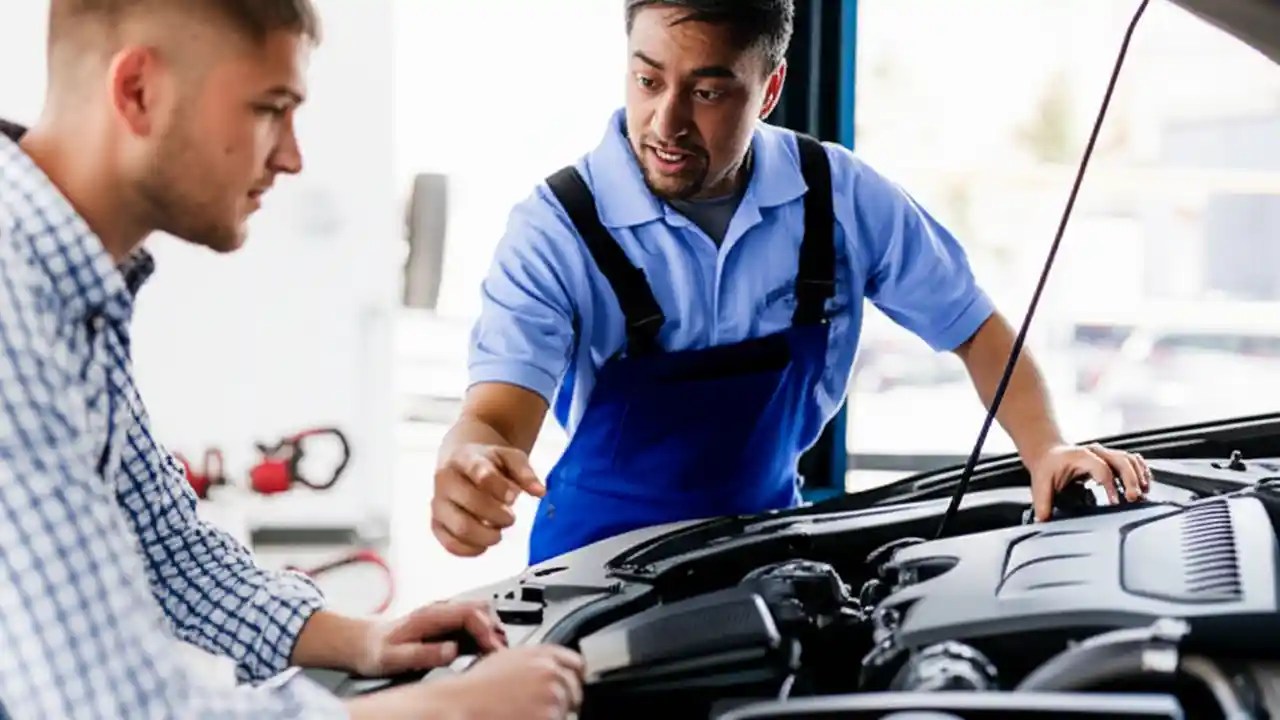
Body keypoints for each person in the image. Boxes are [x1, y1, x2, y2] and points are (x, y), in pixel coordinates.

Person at [0, 1, 584, 718]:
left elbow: (167, 551)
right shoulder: (10, 303)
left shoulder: (68, 283)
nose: (290, 156)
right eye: (269, 109)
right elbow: (112, 706)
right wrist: (447, 710)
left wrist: (366, 640)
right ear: (138, 91)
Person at [432, 0, 1154, 566]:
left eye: (708, 91)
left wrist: (1047, 447)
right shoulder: (556, 227)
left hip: (765, 548)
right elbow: (497, 416)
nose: (666, 120)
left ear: (769, 86)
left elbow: (975, 328)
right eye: (648, 79)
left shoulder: (837, 196)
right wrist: (469, 464)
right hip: (593, 571)